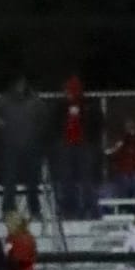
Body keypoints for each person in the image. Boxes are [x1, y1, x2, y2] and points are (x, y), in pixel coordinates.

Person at [0, 76, 44, 218]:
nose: (20, 87)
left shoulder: (34, 100)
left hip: (30, 146)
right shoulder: (5, 100)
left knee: (32, 181)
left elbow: (43, 119)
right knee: (10, 180)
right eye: (18, 84)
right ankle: (8, 210)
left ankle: (35, 210)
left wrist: (37, 134)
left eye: (23, 84)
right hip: (11, 146)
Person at [50, 76, 99, 219]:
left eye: (69, 90)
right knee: (67, 180)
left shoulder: (87, 105)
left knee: (86, 180)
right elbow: (54, 125)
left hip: (83, 145)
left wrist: (91, 140)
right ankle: (69, 209)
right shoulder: (61, 107)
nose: (67, 93)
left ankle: (89, 209)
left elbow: (96, 124)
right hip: (66, 146)